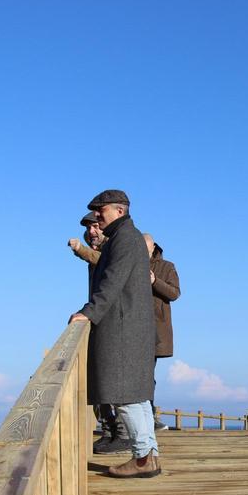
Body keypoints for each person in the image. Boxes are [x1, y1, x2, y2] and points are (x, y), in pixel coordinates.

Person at [70, 190, 160, 478]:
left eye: (102, 210)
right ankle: (149, 455)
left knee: (125, 395)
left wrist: (89, 311)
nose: (97, 215)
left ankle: (143, 459)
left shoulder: (124, 239)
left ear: (119, 211)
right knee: (137, 396)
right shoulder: (127, 237)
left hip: (123, 329)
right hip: (130, 327)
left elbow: (112, 282)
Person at [68, 213, 130, 454]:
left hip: (116, 323)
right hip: (101, 320)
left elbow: (100, 261)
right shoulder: (100, 249)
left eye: (96, 226)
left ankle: (122, 435)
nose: (91, 231)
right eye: (88, 228)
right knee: (98, 380)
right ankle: (109, 431)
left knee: (114, 379)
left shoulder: (114, 248)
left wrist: (80, 250)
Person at [145, 234, 181, 430]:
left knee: (147, 375)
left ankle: (149, 417)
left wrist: (154, 281)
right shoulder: (130, 263)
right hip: (130, 328)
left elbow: (174, 293)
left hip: (155, 330)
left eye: (146, 247)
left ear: (153, 248)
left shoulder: (167, 266)